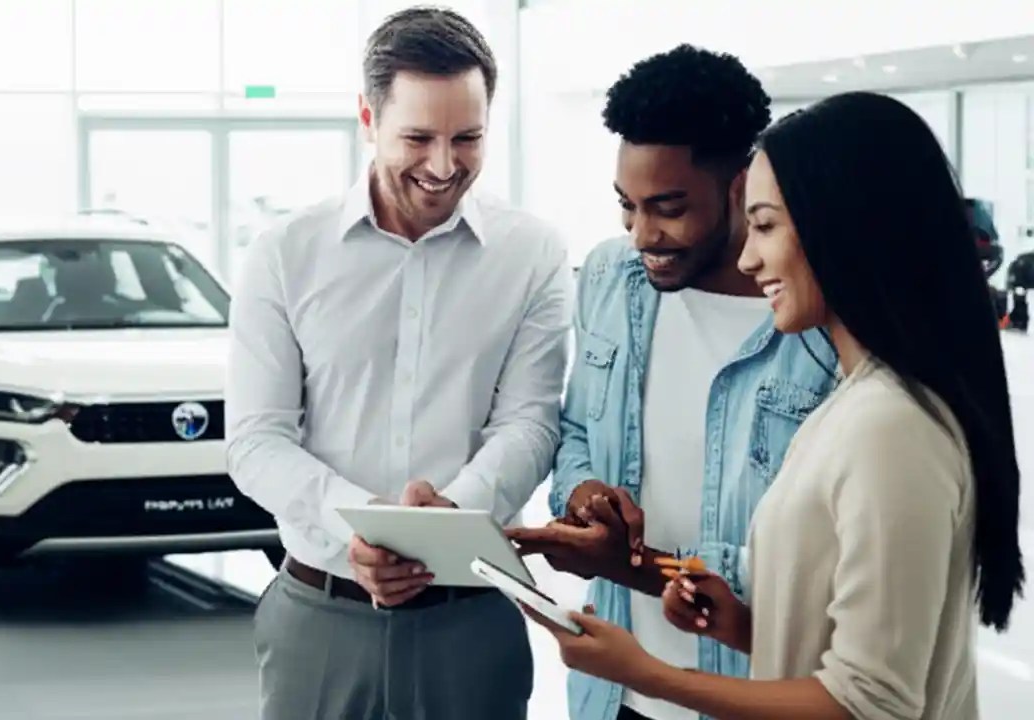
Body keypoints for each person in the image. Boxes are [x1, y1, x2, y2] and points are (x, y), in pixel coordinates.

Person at [527, 91, 1025, 720]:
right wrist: (735, 623)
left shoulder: (891, 427)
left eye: (764, 225)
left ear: (840, 227)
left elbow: (870, 702)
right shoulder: (858, 404)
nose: (749, 256)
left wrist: (647, 673)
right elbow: (837, 646)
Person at [225, 7, 571, 720]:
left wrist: (445, 520)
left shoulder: (531, 253)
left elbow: (532, 424)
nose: (444, 167)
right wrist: (362, 526)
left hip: (471, 620)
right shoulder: (284, 254)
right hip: (319, 617)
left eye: (467, 138)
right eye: (418, 137)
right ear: (367, 117)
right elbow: (255, 441)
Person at [506, 45, 839, 720]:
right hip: (615, 692)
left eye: (668, 207)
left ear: (742, 184)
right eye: (627, 206)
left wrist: (627, 563)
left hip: (757, 692)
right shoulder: (607, 279)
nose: (642, 234)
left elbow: (819, 554)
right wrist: (585, 496)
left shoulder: (817, 318)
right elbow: (577, 433)